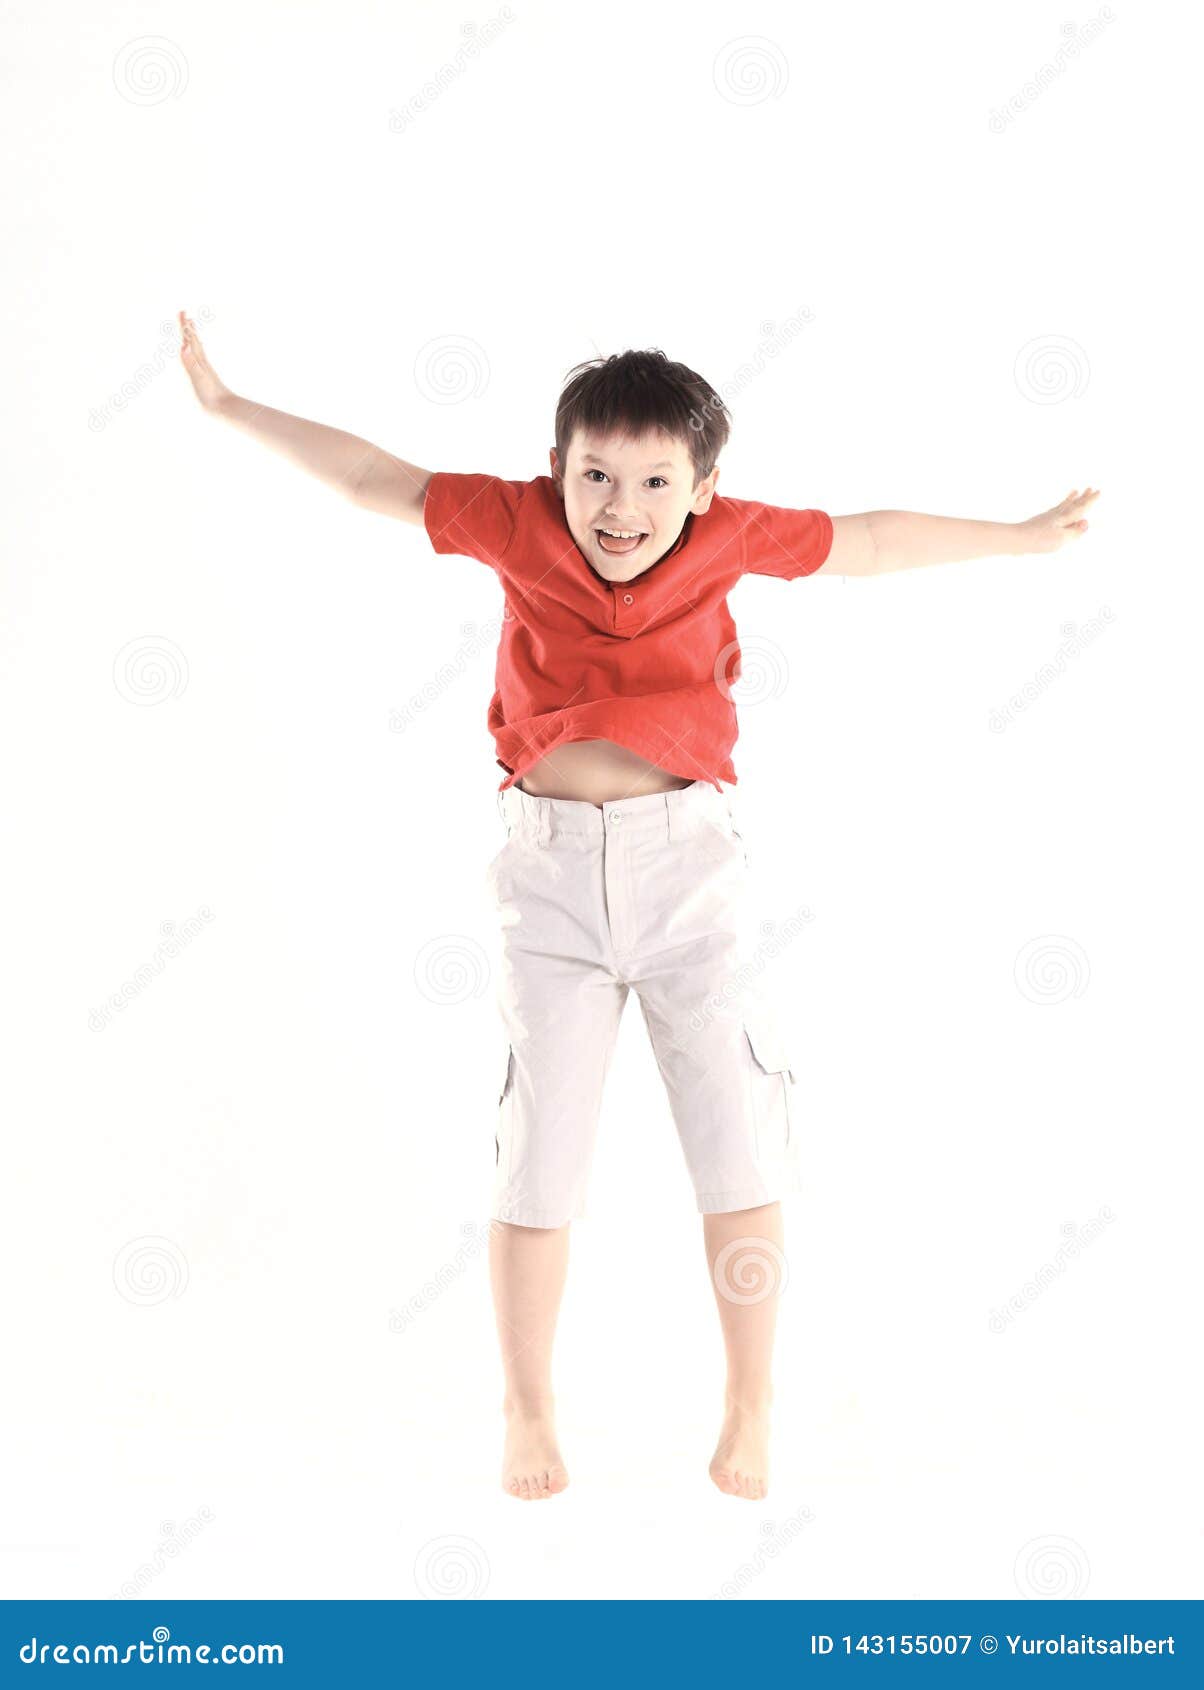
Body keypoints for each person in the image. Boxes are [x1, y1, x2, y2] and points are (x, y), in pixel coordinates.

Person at [177, 312, 1099, 1502]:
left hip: (687, 875)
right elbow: (371, 477)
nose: (622, 507)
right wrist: (229, 405)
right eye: (596, 476)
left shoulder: (729, 536)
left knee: (735, 1139)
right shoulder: (513, 521)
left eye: (657, 481)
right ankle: (526, 1408)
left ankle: (750, 1403)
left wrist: (1020, 537)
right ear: (555, 470)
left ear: (702, 488)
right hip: (548, 880)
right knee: (538, 1160)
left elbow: (869, 539)